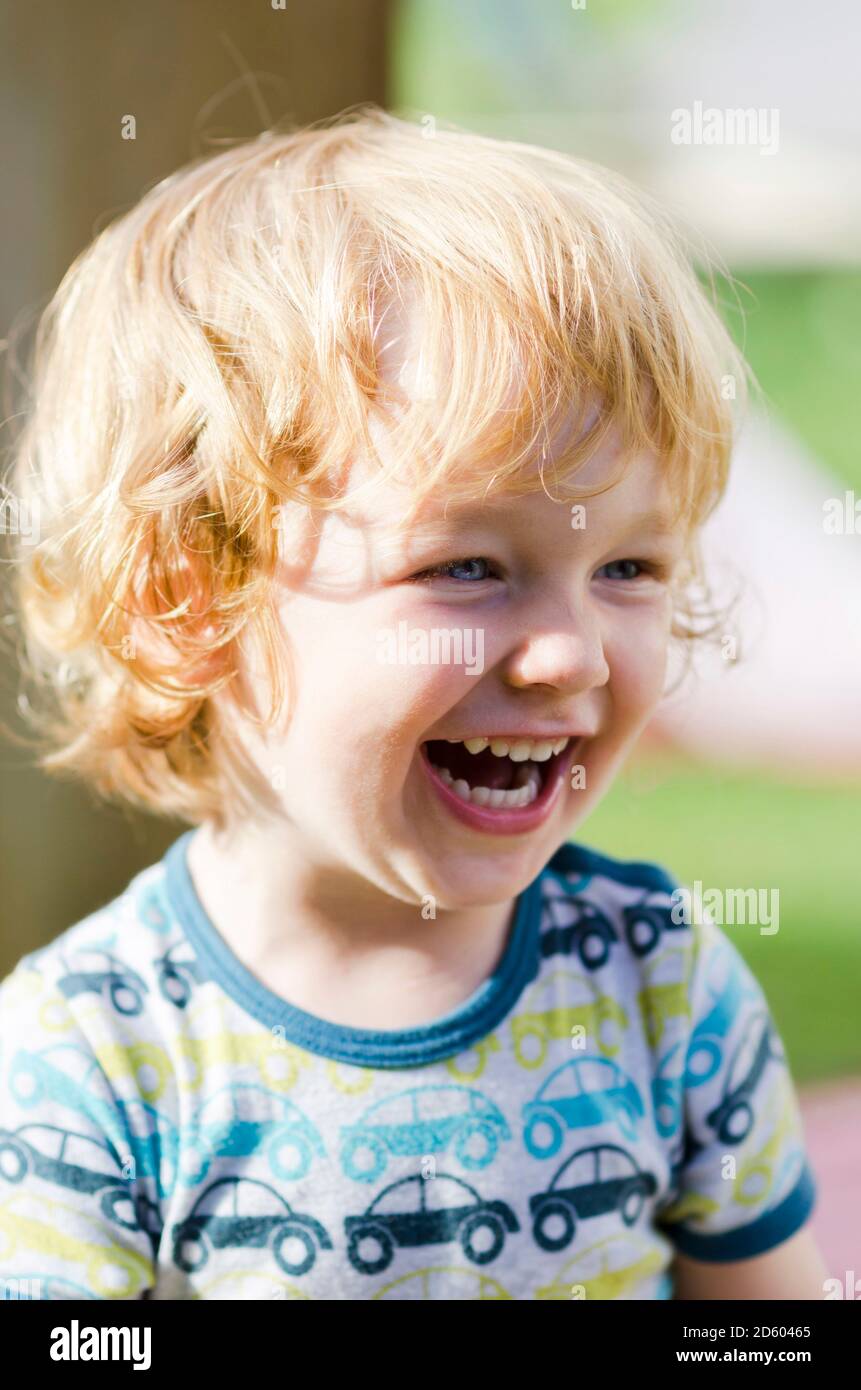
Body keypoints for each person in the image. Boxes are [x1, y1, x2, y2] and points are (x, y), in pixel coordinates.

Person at [0, 107, 826, 1300]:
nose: (574, 656)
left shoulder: (658, 984)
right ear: (190, 601)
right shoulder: (91, 1061)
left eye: (628, 570)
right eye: (469, 566)